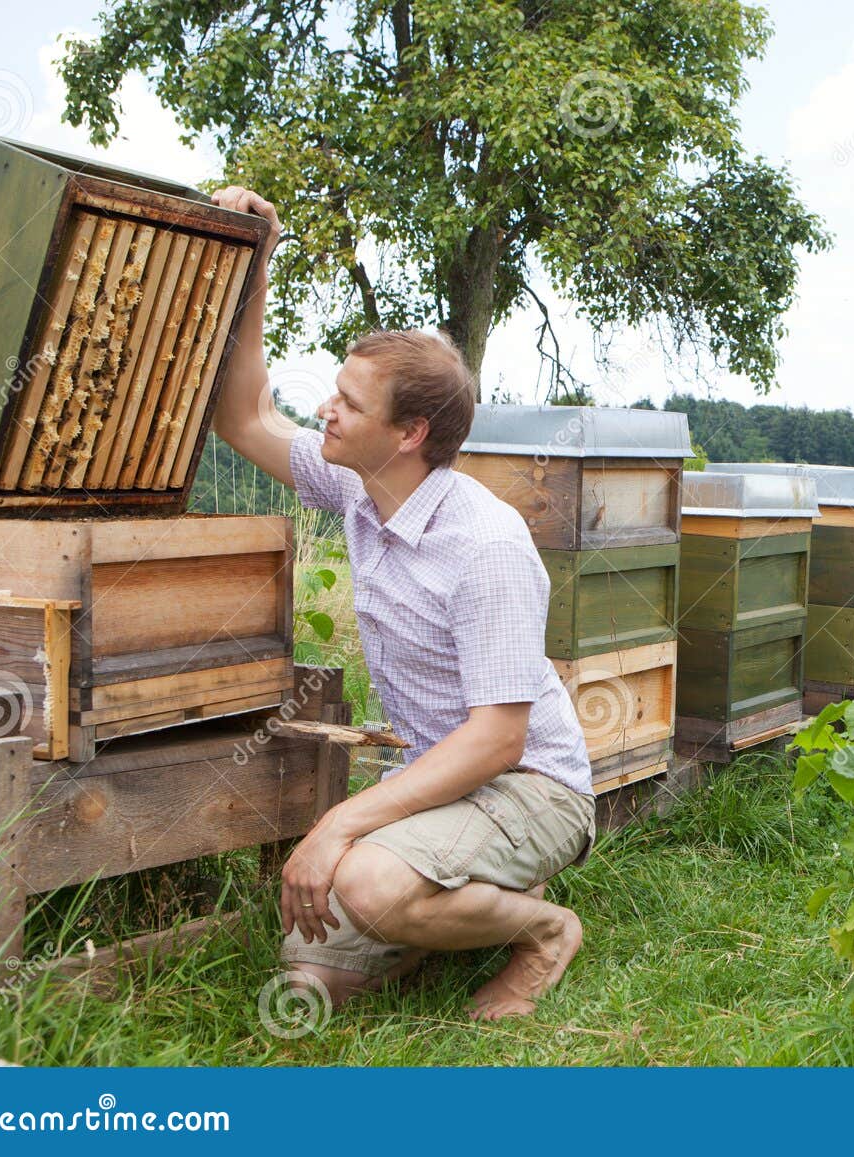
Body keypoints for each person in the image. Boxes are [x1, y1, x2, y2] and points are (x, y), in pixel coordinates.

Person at [208, 186, 595, 1020]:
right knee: (307, 971)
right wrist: (259, 254)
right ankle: (450, 897)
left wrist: (336, 825)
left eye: (347, 402)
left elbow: (498, 738)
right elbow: (244, 417)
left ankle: (543, 927)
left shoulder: (485, 546)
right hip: (443, 784)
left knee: (359, 878)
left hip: (532, 788)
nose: (326, 410)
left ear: (410, 432)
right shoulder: (356, 485)